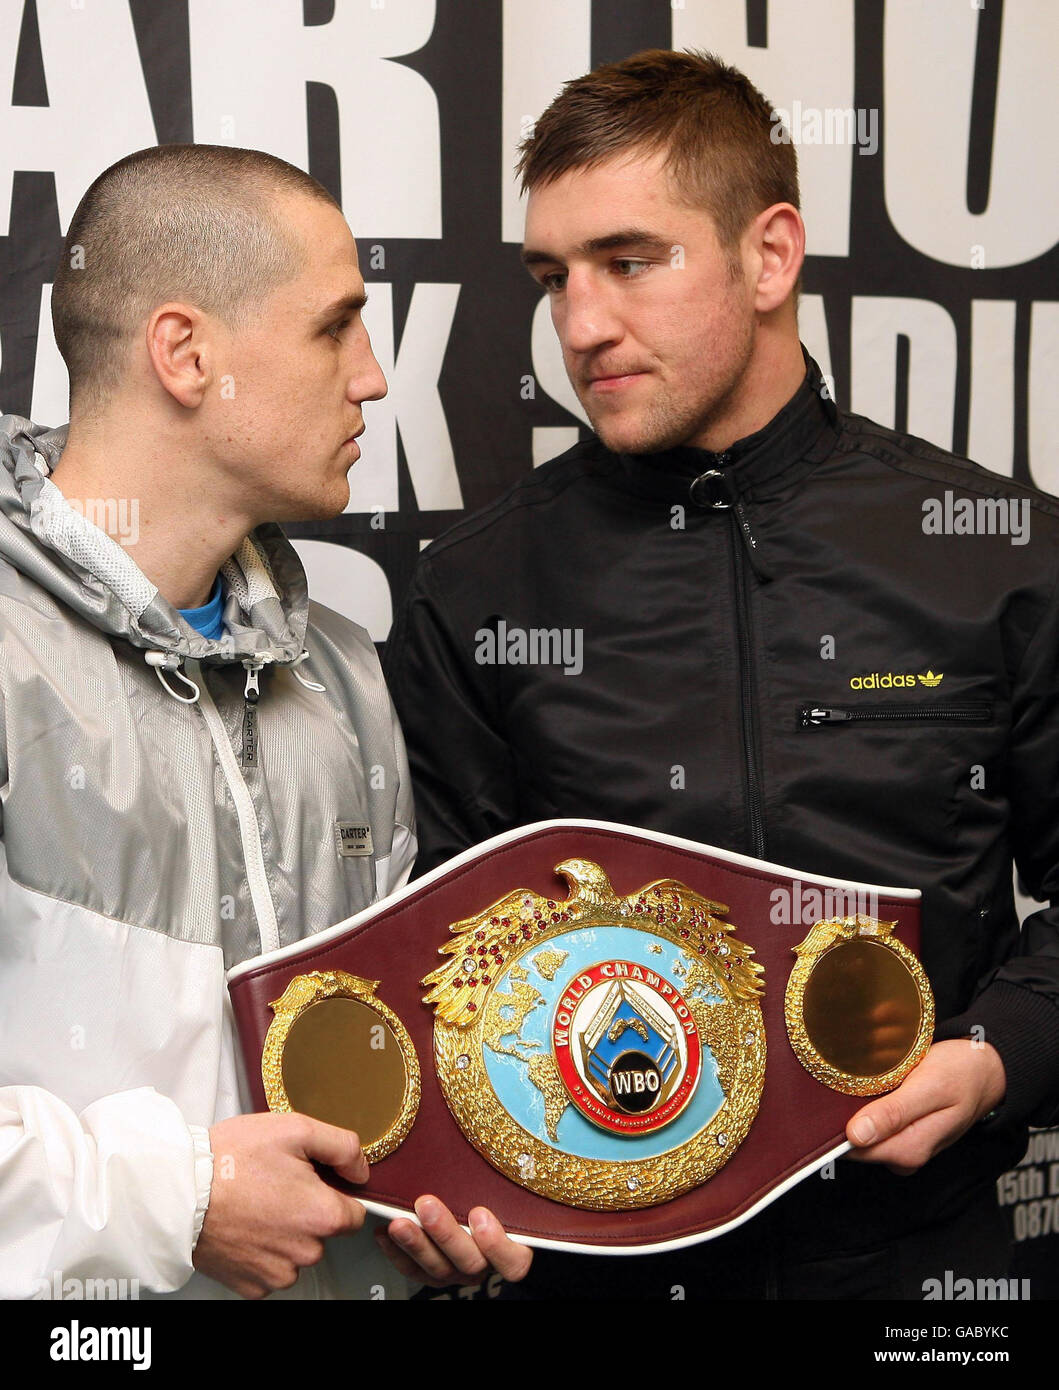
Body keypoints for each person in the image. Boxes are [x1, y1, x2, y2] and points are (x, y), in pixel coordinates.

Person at [385, 50, 1059, 1299]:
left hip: (923, 1268)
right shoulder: (476, 588)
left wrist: (996, 1052)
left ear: (771, 255)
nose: (580, 326)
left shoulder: (997, 552)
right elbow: (434, 951)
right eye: (554, 277)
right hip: (589, 1271)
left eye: (630, 261)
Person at [0, 144, 531, 1300]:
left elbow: (377, 1078)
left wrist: (431, 1208)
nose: (376, 377)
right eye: (335, 326)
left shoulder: (342, 677)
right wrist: (175, 1199)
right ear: (186, 354)